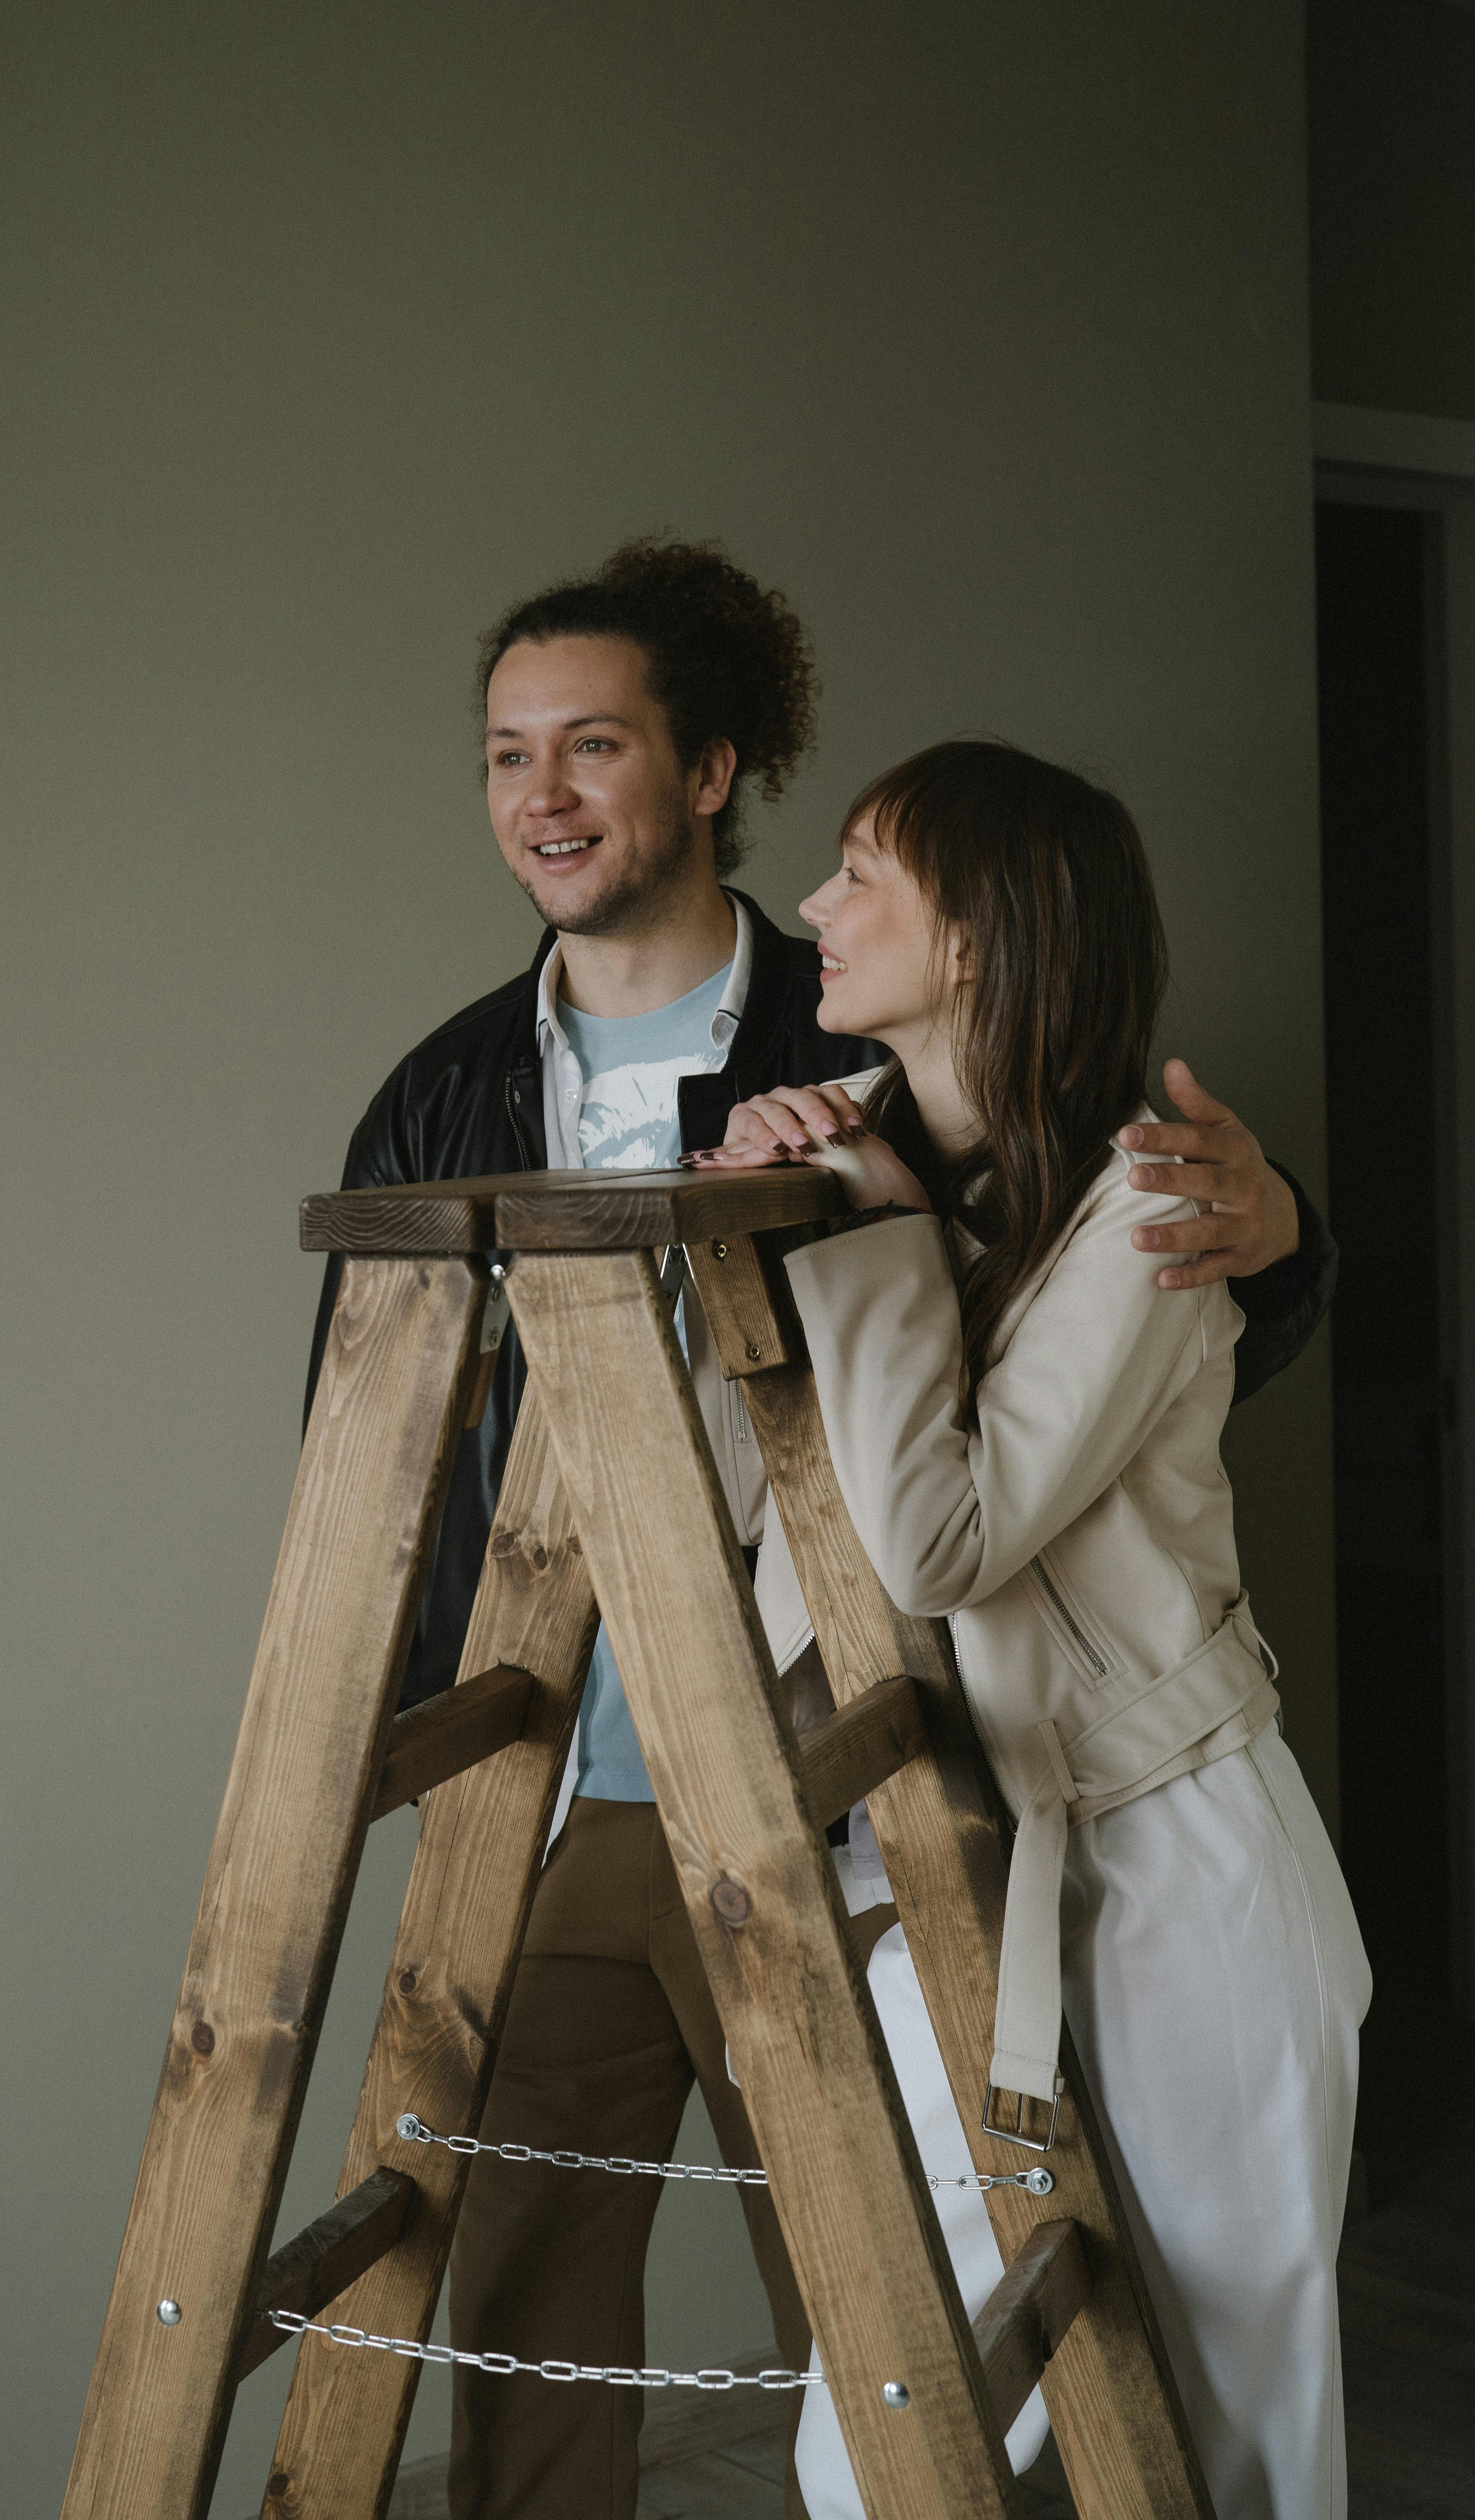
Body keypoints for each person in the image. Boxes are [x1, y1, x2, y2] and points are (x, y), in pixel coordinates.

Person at [303, 544, 1339, 2520]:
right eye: (507, 752)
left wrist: (1284, 1223)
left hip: (840, 1780)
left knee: (879, 2310)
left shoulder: (864, 1038)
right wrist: (426, 1745)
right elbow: (374, 1455)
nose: (540, 794)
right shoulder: (439, 1097)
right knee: (522, 2298)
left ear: (709, 772)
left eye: (591, 744)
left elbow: (1119, 1284)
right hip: (553, 1789)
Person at [698, 738, 1369, 2518]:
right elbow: (749, 1520)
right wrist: (770, 1216)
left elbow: (938, 1538)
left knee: (1241, 2413)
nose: (816, 910)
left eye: (857, 872)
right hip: (935, 1864)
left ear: (983, 937)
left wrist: (872, 1233)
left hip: (1176, 1860)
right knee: (890, 2412)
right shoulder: (869, 1174)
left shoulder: (1153, 1204)